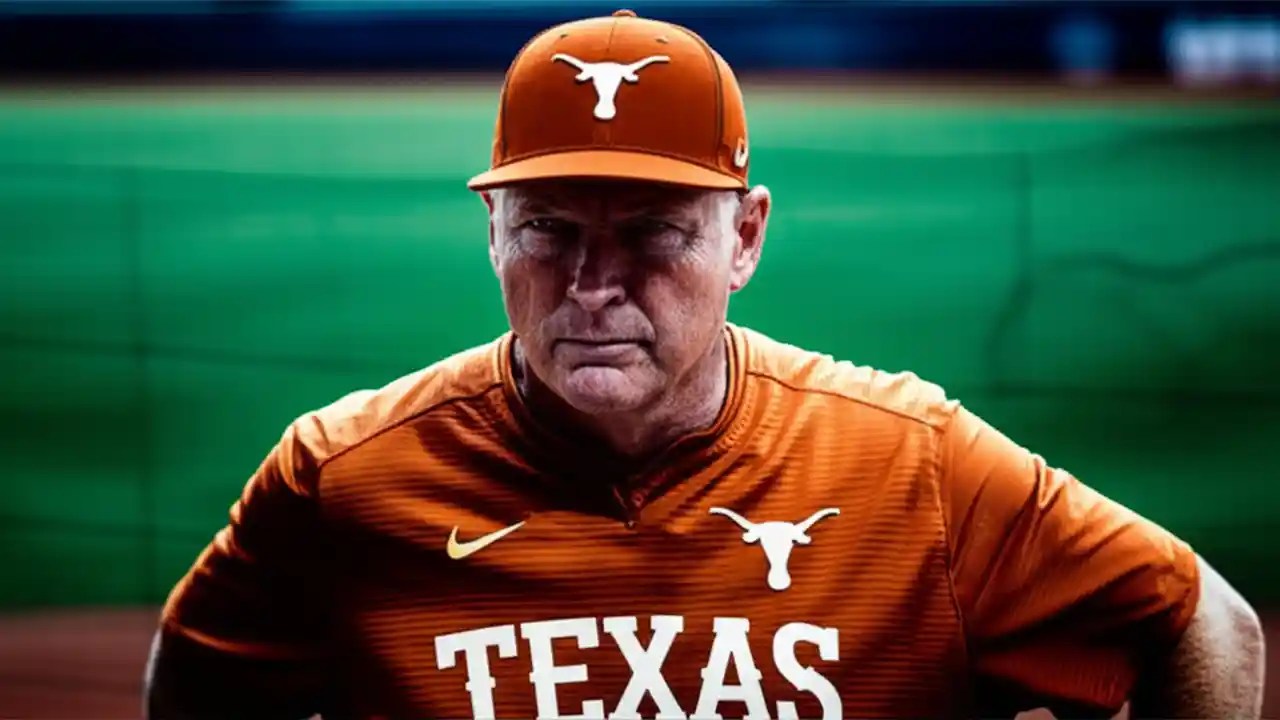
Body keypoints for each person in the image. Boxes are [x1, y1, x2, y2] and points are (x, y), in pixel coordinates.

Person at [145, 9, 1264, 720]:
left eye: (651, 233)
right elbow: (194, 691)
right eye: (547, 229)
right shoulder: (342, 481)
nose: (593, 282)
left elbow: (1201, 624)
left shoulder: (909, 464)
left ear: (745, 239)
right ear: (489, 233)